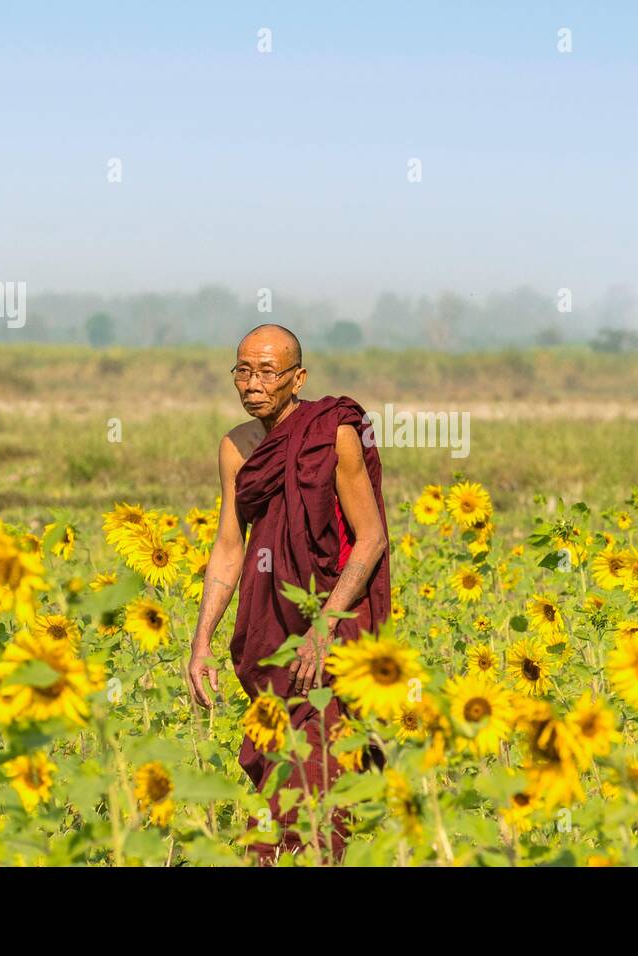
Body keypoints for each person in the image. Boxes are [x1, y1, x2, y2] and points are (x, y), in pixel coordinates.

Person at [185, 324, 390, 865]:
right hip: (270, 628)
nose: (252, 384)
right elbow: (229, 547)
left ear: (297, 378)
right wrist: (200, 644)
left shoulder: (332, 433)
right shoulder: (235, 448)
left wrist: (323, 630)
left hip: (333, 620)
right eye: (243, 371)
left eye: (267, 372)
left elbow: (370, 539)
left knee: (318, 766)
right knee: (278, 759)